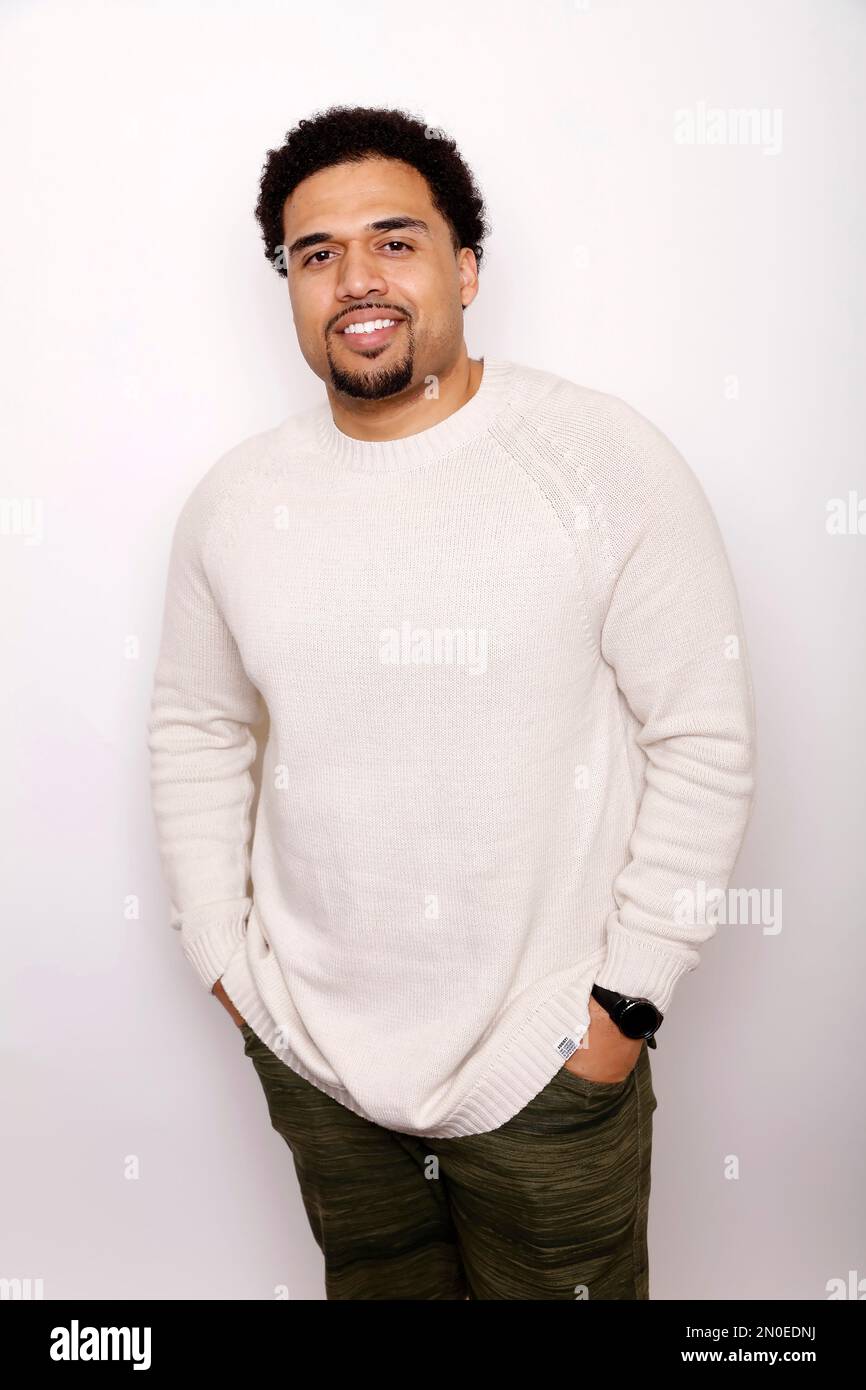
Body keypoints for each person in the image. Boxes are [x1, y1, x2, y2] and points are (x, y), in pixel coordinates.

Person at [147, 105, 756, 1300]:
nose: (354, 280)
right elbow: (196, 728)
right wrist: (224, 955)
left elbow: (702, 737)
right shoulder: (236, 504)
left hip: (544, 1064)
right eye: (315, 253)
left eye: (394, 240)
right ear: (287, 283)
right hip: (318, 1062)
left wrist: (622, 1004)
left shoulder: (597, 458)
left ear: (463, 269)